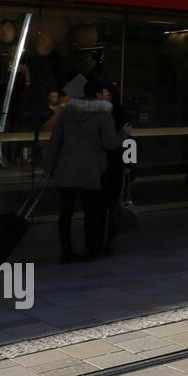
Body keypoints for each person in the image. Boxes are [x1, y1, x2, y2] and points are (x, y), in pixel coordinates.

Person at [42, 78, 119, 263]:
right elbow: (110, 144)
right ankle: (91, 251)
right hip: (91, 170)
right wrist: (124, 134)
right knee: (92, 212)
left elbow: (55, 143)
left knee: (65, 214)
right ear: (98, 95)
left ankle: (67, 251)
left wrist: (49, 167)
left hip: (66, 168)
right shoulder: (104, 115)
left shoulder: (66, 113)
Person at [97, 83, 134, 256]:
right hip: (108, 162)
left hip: (114, 163)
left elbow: (130, 139)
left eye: (103, 93)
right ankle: (105, 240)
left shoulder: (118, 113)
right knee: (107, 203)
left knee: (111, 204)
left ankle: (108, 240)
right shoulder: (105, 112)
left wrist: (128, 164)